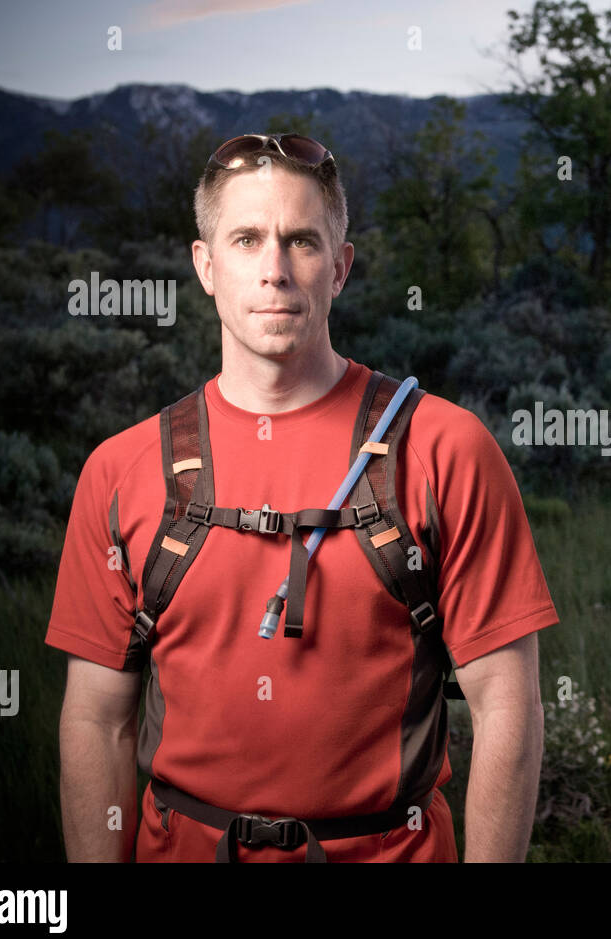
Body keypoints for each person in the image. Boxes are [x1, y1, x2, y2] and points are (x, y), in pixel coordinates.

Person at [44, 133, 559, 862]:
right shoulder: (121, 469)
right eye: (247, 239)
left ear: (341, 267)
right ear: (206, 266)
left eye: (302, 242)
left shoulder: (448, 449)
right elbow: (98, 719)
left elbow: (508, 704)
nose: (275, 271)